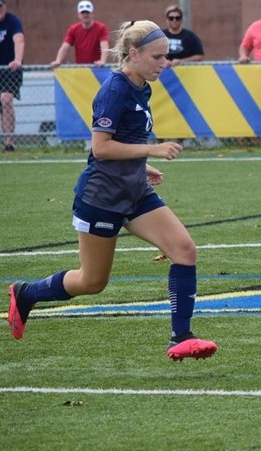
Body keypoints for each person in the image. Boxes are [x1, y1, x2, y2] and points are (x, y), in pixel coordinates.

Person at [7, 20, 218, 361]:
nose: (164, 63)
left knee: (184, 249)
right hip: (101, 198)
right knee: (92, 282)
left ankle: (181, 337)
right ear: (133, 53)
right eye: (157, 57)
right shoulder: (114, 90)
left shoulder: (142, 85)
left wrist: (140, 165)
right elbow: (101, 148)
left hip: (134, 191)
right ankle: (26, 293)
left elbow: (124, 141)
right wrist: (151, 150)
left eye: (166, 56)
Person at [51, 0, 109, 68]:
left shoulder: (101, 28)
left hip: (97, 67)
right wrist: (58, 60)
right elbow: (65, 46)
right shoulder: (73, 29)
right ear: (78, 15)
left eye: (87, 12)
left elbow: (104, 45)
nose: (85, 15)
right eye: (83, 13)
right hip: (81, 68)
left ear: (92, 14)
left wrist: (102, 61)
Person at [0, 0, 25, 152]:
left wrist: (17, 60)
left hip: (10, 69)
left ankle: (9, 141)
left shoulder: (12, 21)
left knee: (6, 100)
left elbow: (19, 40)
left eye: (0, 7)